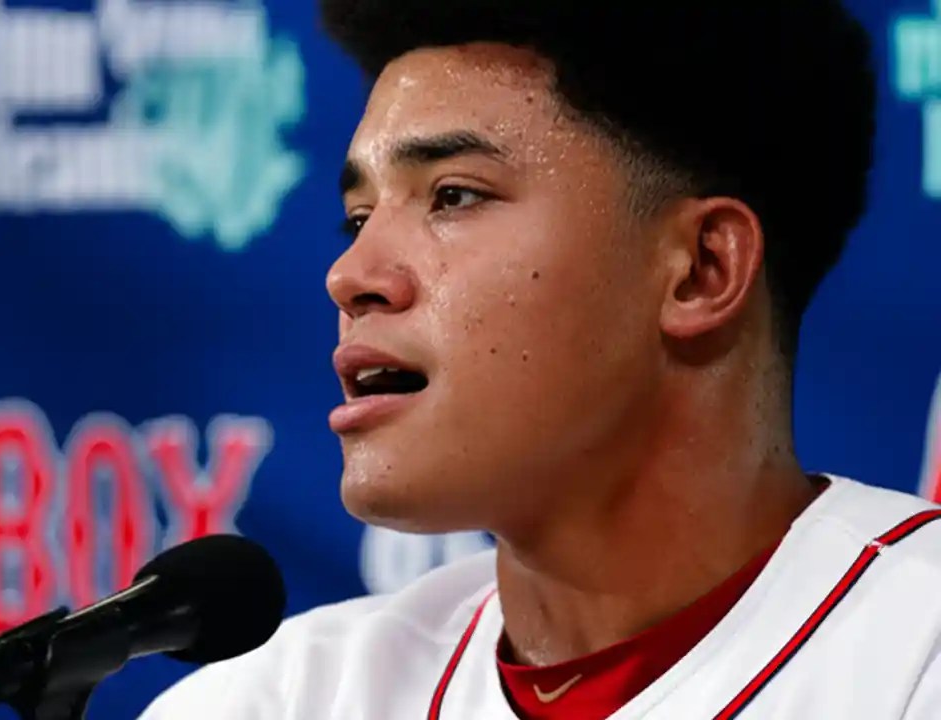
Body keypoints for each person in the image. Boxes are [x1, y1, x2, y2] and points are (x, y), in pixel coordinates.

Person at [141, 1, 941, 718]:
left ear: (702, 269)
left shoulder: (915, 650)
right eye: (358, 217)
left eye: (453, 196)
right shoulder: (277, 700)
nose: (351, 276)